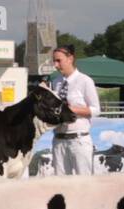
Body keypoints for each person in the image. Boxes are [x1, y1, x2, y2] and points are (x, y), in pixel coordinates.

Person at [50, 44, 101, 175]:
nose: (55, 65)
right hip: (58, 140)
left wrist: (72, 109)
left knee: (83, 185)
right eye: (54, 61)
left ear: (70, 58)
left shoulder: (85, 81)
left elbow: (96, 110)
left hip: (79, 140)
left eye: (58, 60)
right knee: (60, 186)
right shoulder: (55, 82)